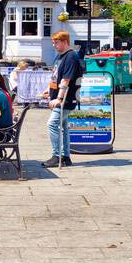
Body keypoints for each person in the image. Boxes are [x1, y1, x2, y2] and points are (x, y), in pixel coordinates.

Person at [43, 30, 81, 168]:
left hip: (66, 99)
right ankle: (65, 157)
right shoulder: (60, 56)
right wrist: (49, 90)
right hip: (60, 97)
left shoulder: (70, 57)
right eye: (53, 42)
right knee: (63, 127)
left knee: (52, 124)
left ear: (65, 42)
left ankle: (56, 155)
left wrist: (59, 98)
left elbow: (66, 79)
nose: (54, 45)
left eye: (56, 42)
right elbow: (56, 76)